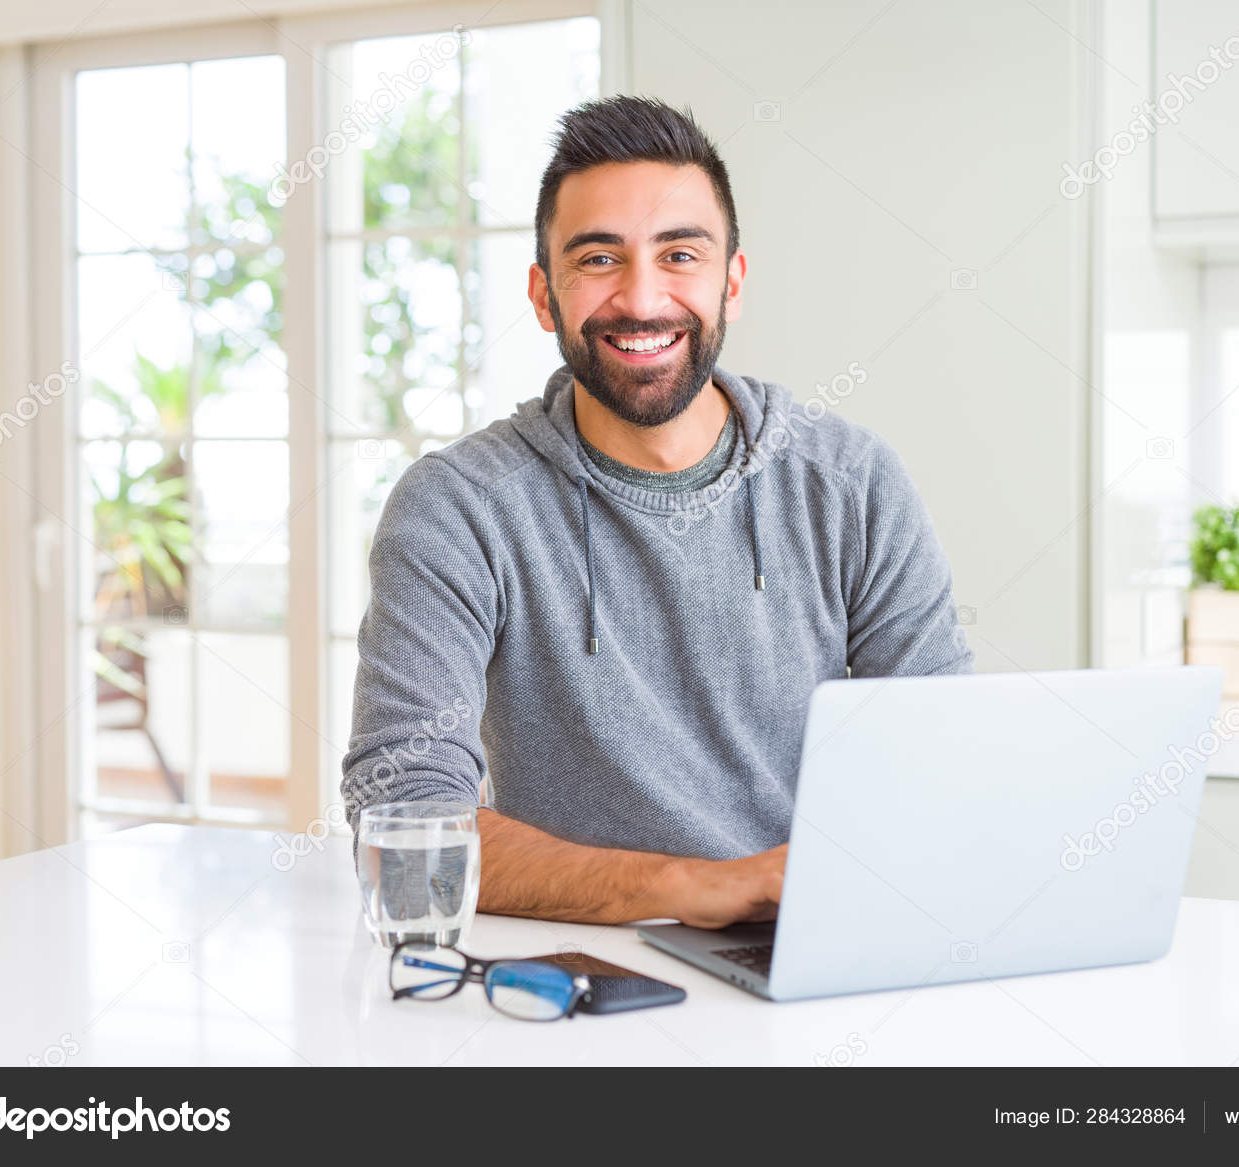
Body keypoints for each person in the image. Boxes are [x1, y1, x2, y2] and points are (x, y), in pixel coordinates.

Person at [342, 95, 973, 928]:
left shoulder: (851, 482)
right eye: (599, 259)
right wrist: (685, 888)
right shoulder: (458, 508)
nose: (642, 299)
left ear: (731, 282)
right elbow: (407, 835)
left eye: (680, 254)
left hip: (812, 950)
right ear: (544, 295)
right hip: (576, 977)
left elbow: (945, 767)